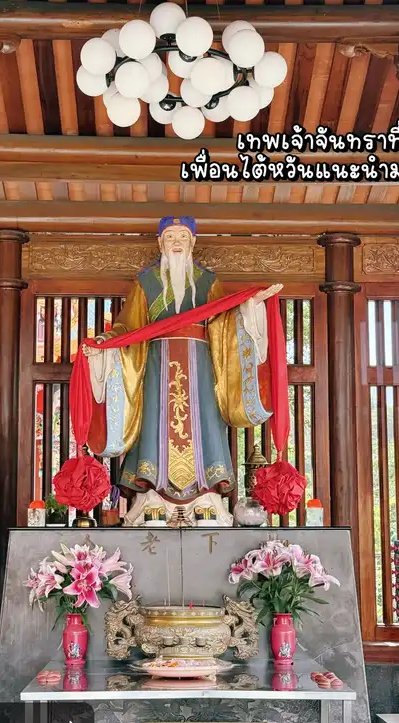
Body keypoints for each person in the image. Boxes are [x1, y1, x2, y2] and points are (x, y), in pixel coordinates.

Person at [82, 216, 281, 525]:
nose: (176, 243)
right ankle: (152, 494)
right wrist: (103, 346)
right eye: (170, 237)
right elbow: (127, 329)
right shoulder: (145, 283)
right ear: (160, 243)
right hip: (156, 367)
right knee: (156, 419)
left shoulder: (208, 282)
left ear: (193, 242)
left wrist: (250, 307)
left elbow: (225, 325)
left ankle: (206, 495)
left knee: (204, 419)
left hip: (200, 370)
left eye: (183, 237)